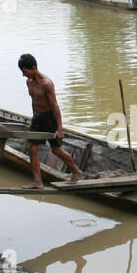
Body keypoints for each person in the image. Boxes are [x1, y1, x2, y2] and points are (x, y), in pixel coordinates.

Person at [18, 53, 83, 189]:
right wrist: (33, 118)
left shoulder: (46, 84)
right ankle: (37, 182)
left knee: (56, 150)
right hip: (37, 117)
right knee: (32, 148)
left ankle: (76, 171)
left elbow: (55, 106)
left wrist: (60, 128)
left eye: (25, 71)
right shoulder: (29, 82)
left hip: (49, 118)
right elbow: (34, 101)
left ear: (33, 67)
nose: (24, 75)